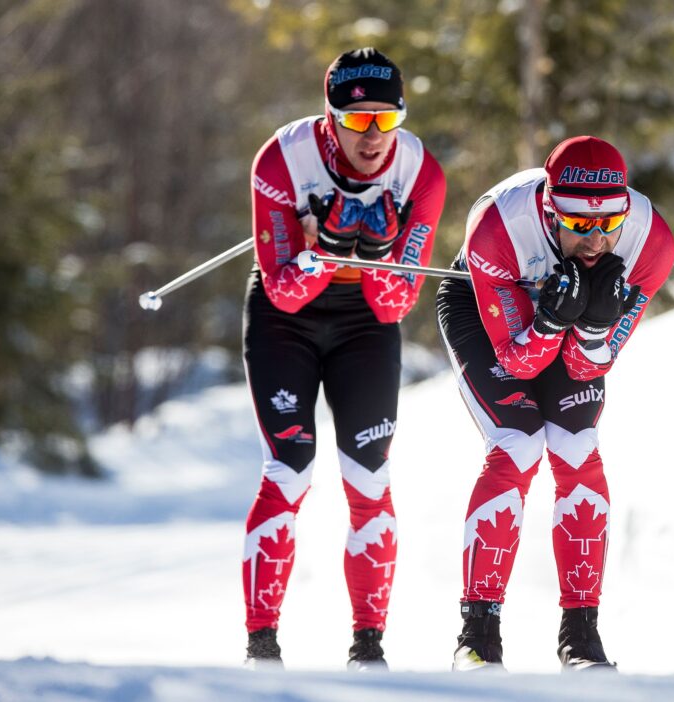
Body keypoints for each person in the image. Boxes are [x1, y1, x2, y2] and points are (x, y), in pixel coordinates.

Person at [436, 136, 674, 671]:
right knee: (517, 443)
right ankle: (478, 636)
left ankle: (581, 636)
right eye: (579, 226)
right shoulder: (499, 227)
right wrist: (549, 321)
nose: (596, 241)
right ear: (549, 209)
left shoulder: (649, 244)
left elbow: (593, 364)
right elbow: (518, 362)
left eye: (608, 225)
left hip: (569, 318)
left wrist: (591, 324)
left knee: (577, 445)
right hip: (487, 309)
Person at [240, 47, 446, 670]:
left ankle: (368, 646)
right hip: (287, 322)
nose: (374, 137)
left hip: (364, 325)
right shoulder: (283, 160)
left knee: (368, 480)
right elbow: (282, 288)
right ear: (330, 118)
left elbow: (394, 306)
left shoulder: (420, 175)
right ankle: (261, 646)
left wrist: (378, 251)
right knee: (290, 469)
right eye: (358, 122)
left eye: (388, 119)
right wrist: (330, 247)